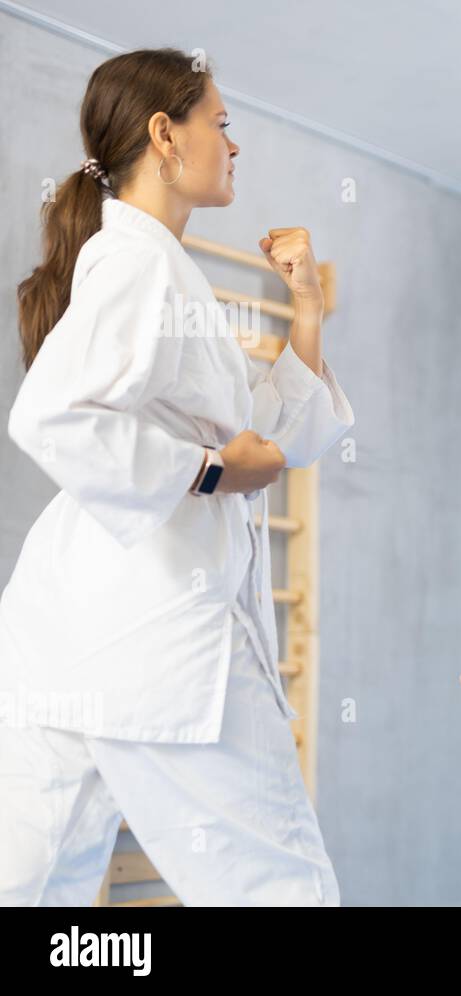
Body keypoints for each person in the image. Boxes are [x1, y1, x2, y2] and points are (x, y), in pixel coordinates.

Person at [0, 49, 354, 906]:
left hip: (67, 645)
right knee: (283, 890)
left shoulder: (155, 267)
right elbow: (47, 415)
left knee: (37, 891)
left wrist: (305, 311)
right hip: (155, 634)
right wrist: (204, 473)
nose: (235, 146)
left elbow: (264, 449)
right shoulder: (136, 263)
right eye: (220, 124)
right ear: (165, 135)